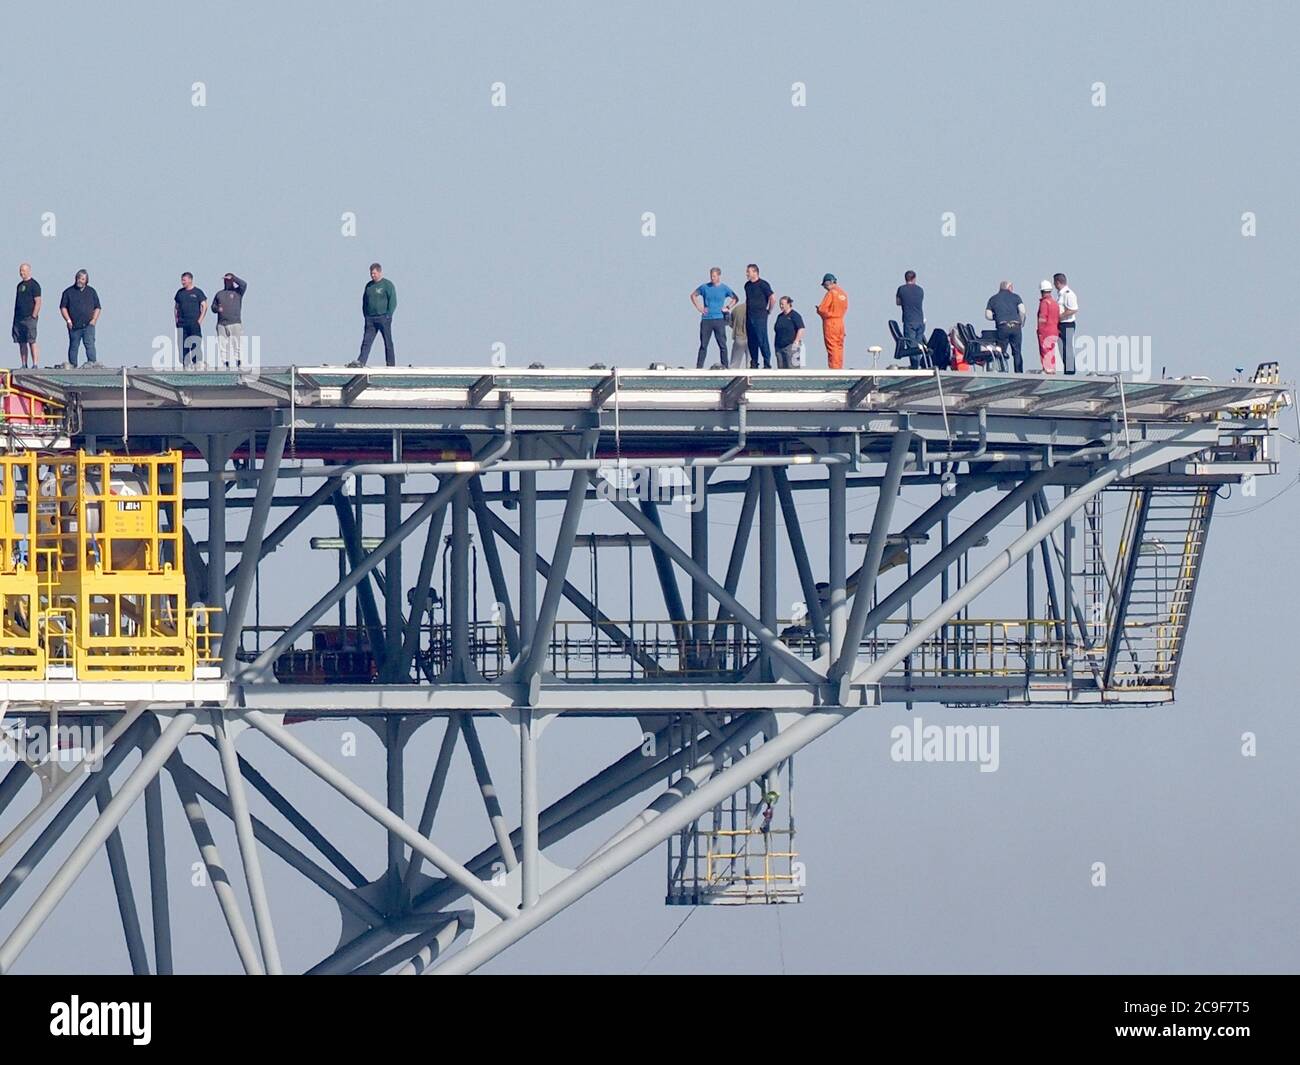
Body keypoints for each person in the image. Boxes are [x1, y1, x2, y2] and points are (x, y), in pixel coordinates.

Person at [351, 263, 397, 367]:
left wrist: (389, 314)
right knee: (366, 341)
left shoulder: (387, 285)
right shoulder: (369, 286)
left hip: (383, 317)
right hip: (370, 318)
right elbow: (364, 301)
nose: (372, 275)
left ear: (380, 272)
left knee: (387, 341)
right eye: (371, 273)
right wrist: (366, 315)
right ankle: (361, 361)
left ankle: (391, 364)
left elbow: (393, 301)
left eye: (374, 273)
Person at [690, 267, 737, 368]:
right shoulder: (704, 287)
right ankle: (699, 367)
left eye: (714, 276)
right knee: (703, 345)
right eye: (711, 276)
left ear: (719, 276)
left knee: (722, 345)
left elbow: (735, 298)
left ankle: (725, 366)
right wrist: (699, 307)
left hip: (719, 319)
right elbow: (693, 295)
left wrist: (728, 307)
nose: (712, 278)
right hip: (707, 319)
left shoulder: (724, 288)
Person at [58, 270, 101, 368]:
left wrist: (94, 320)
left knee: (89, 344)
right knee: (73, 346)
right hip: (74, 326)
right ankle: (73, 365)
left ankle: (92, 363)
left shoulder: (91, 291)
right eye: (79, 278)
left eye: (83, 279)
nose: (80, 281)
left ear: (86, 280)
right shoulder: (68, 292)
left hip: (88, 325)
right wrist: (68, 320)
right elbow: (63, 307)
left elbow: (98, 307)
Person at [984, 281, 1025, 372]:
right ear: (1009, 287)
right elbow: (1022, 311)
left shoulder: (993, 299)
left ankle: (1002, 371)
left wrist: (997, 317)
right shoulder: (1016, 297)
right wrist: (1021, 323)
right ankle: (1019, 373)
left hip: (1002, 326)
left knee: (1001, 351)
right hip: (1016, 326)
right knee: (1017, 351)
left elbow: (987, 315)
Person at [211, 272, 247, 369]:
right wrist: (217, 309)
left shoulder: (238, 292)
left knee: (237, 344)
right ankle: (225, 363)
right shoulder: (219, 294)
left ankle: (239, 363)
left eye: (228, 280)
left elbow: (244, 284)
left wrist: (234, 277)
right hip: (222, 324)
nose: (227, 282)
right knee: (223, 345)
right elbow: (213, 307)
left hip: (235, 323)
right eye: (225, 280)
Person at [743, 264, 775, 369]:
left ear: (755, 272)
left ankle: (767, 362)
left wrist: (769, 310)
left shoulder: (763, 284)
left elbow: (772, 298)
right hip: (749, 316)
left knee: (762, 339)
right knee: (751, 340)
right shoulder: (747, 285)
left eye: (749, 272)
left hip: (760, 316)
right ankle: (754, 362)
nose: (747, 274)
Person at [173, 272, 207, 368]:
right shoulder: (180, 293)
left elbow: (204, 305)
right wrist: (176, 320)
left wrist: (200, 320)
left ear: (190, 280)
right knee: (182, 344)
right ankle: (185, 364)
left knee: (195, 343)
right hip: (182, 323)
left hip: (194, 323)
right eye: (182, 280)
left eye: (184, 280)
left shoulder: (198, 292)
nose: (182, 282)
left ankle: (197, 363)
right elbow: (176, 307)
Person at [816, 273, 849, 369]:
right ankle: (839, 367)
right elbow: (845, 307)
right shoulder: (843, 293)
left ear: (829, 282)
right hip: (840, 323)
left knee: (832, 346)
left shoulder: (831, 293)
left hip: (831, 323)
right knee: (839, 346)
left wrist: (819, 311)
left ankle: (834, 369)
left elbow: (822, 309)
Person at [12, 264, 42, 368]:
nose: (21, 273)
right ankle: (24, 364)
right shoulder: (19, 285)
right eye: (20, 271)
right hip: (19, 317)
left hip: (30, 318)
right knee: (21, 341)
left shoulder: (34, 285)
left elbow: (38, 301)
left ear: (29, 271)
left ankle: (35, 364)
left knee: (31, 340)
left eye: (24, 271)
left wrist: (34, 315)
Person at [1053, 273, 1079, 374]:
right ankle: (1067, 369)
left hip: (1067, 324)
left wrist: (1059, 317)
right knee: (1062, 348)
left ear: (1057, 282)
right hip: (1061, 324)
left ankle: (1070, 370)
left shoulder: (1068, 294)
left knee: (1067, 348)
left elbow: (1073, 309)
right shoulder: (1061, 294)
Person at [773, 297, 806, 368]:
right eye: (780, 304)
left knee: (793, 368)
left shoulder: (795, 315)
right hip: (779, 347)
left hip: (791, 346)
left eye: (783, 304)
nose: (781, 306)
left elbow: (801, 328)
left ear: (788, 304)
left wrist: (796, 341)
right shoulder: (780, 316)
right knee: (781, 369)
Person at [1036, 280, 1060, 374]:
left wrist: (1040, 331)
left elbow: (1042, 318)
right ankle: (1052, 368)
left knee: (1045, 350)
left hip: (1045, 331)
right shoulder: (1054, 303)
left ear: (1042, 291)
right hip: (1054, 330)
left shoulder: (1044, 303)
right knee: (1051, 351)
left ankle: (1047, 369)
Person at [895, 270, 924, 344]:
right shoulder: (920, 290)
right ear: (914, 278)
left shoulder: (901, 289)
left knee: (911, 346)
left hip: (909, 321)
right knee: (919, 346)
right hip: (920, 320)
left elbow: (898, 303)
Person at [729, 302, 748, 368]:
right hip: (751, 338)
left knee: (734, 364)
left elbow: (730, 323)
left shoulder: (736, 309)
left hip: (739, 337)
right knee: (751, 365)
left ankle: (733, 377)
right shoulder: (755, 309)